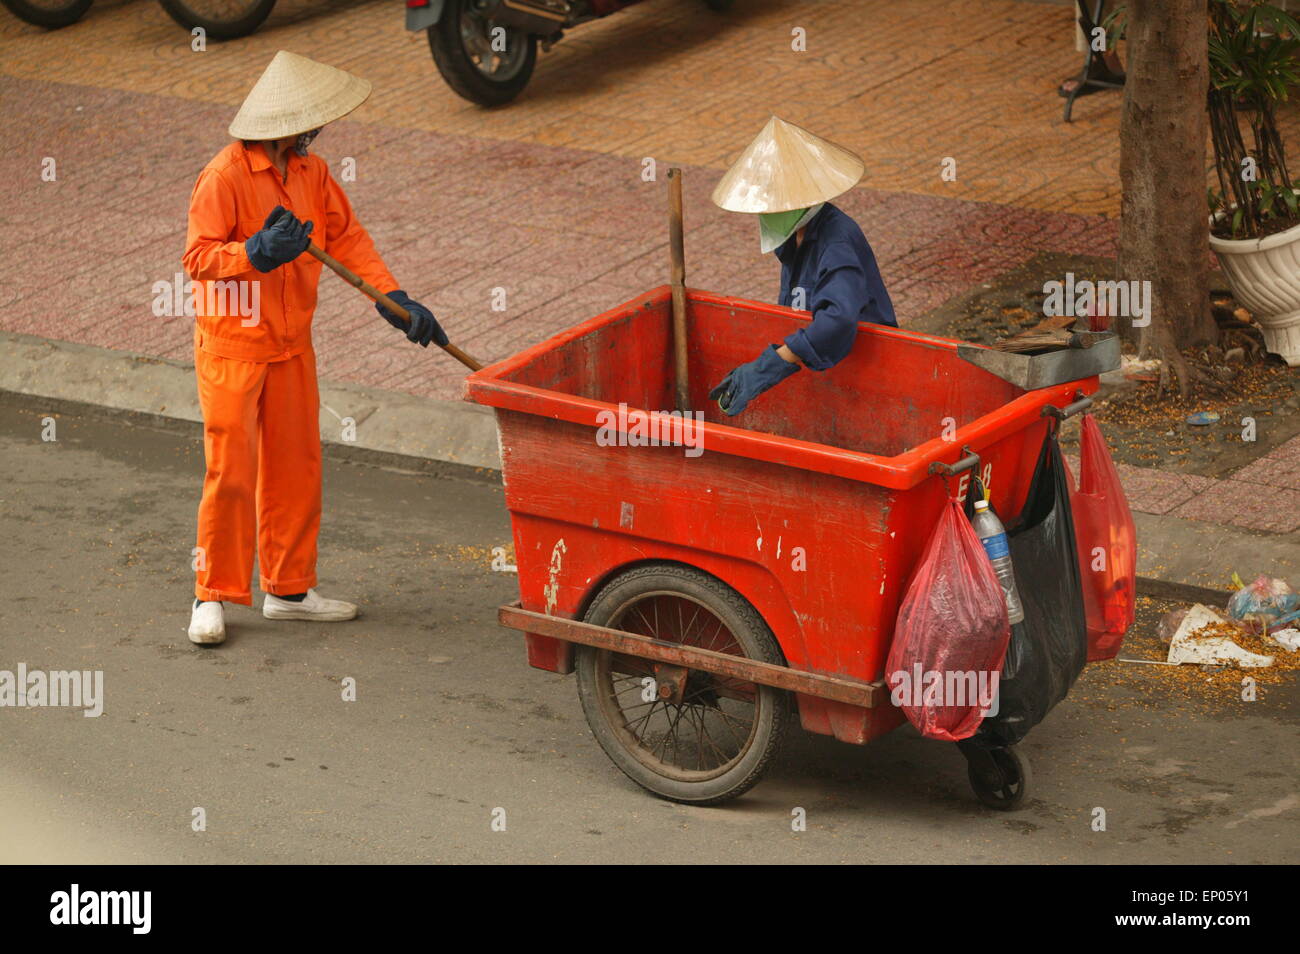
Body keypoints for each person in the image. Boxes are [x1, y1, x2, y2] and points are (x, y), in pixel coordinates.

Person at [182, 51, 444, 645]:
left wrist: (394, 297)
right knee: (231, 474)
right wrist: (252, 253)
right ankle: (211, 593)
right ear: (285, 125)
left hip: (291, 345)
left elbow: (347, 238)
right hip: (232, 349)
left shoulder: (312, 173)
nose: (314, 133)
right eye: (308, 125)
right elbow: (197, 259)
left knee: (295, 469)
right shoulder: (223, 176)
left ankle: (289, 589)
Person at [708, 116, 897, 416]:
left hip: (871, 375)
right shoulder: (796, 236)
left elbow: (837, 319)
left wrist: (770, 366)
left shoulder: (837, 242)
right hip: (831, 378)